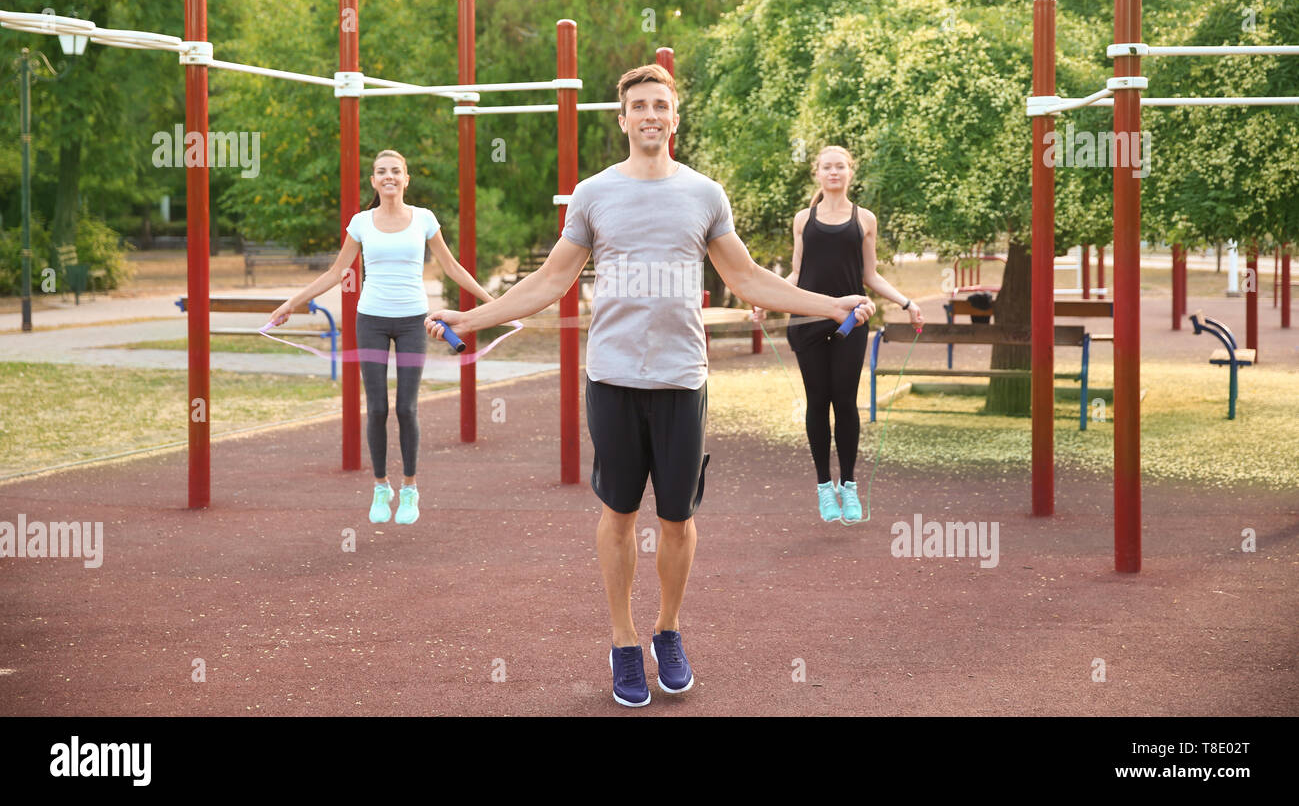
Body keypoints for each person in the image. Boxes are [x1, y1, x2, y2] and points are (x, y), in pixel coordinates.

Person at [427, 66, 873, 708]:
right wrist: (469, 317)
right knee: (617, 514)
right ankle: (623, 642)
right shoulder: (593, 194)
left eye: (661, 105)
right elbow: (550, 282)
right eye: (639, 106)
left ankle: (667, 630)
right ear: (622, 117)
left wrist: (831, 305)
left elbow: (747, 280)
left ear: (675, 117)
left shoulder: (704, 194)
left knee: (678, 518)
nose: (651, 115)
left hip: (680, 380)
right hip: (612, 379)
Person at [271, 149, 493, 526]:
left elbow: (452, 267)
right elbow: (336, 272)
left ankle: (409, 488)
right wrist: (292, 303)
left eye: (395, 171)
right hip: (370, 320)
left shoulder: (424, 219)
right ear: (373, 181)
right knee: (375, 408)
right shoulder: (361, 222)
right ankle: (380, 486)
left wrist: (495, 304)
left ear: (406, 179)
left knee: (406, 408)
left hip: (412, 322)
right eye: (381, 172)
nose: (388, 176)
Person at [754, 146, 924, 525]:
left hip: (851, 323)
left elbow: (871, 275)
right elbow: (797, 275)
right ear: (818, 173)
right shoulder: (803, 219)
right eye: (827, 167)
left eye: (841, 167)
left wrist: (906, 303)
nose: (834, 172)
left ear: (851, 172)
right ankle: (823, 488)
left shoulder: (864, 219)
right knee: (818, 401)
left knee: (845, 402)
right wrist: (764, 298)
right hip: (807, 322)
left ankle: (848, 486)